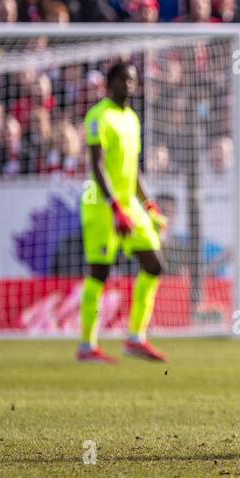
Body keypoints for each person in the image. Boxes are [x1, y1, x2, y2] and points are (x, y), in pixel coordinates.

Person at [77, 62, 171, 364]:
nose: (130, 85)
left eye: (133, 80)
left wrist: (150, 205)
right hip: (102, 205)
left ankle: (135, 338)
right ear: (110, 83)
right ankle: (87, 346)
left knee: (155, 264)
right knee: (100, 273)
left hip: (130, 204)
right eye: (124, 80)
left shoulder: (132, 119)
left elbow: (134, 170)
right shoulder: (98, 116)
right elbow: (98, 166)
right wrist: (115, 207)